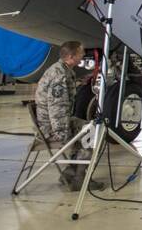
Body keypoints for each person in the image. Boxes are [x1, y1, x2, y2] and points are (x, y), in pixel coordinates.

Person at [33, 41, 100, 191]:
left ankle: (70, 173)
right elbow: (57, 108)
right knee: (90, 133)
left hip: (52, 123)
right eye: (80, 52)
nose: (83, 55)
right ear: (71, 56)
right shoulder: (59, 75)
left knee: (88, 126)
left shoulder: (64, 70)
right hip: (51, 128)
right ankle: (80, 178)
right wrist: (63, 134)